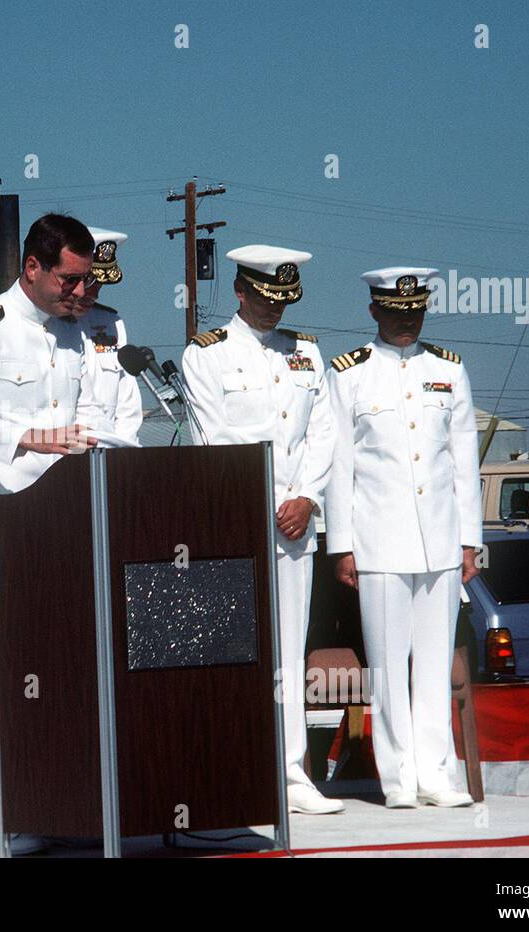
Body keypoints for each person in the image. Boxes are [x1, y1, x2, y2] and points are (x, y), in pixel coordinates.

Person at [0, 213, 108, 855]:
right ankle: (4, 817)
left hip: (57, 531)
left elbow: (87, 416)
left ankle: (58, 800)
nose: (79, 293)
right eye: (69, 279)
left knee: (56, 677)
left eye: (86, 281)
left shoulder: (74, 337)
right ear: (31, 267)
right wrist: (26, 437)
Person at [181, 244, 341, 815]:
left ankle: (292, 772)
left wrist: (307, 498)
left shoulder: (307, 354)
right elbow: (214, 439)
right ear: (241, 292)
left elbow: (323, 433)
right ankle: (237, 766)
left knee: (288, 650)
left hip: (295, 525)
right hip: (238, 520)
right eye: (266, 299)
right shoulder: (206, 356)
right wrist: (271, 500)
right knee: (237, 649)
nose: (275, 311)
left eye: (284, 301)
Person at [325, 267, 481, 809]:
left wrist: (469, 539)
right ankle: (398, 779)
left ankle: (438, 773)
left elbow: (463, 460)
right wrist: (342, 544)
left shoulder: (449, 370)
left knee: (435, 661)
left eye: (414, 312)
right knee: (389, 666)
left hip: (439, 538)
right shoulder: (349, 374)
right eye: (395, 313)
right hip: (379, 540)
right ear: (374, 311)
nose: (406, 322)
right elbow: (339, 464)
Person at [70, 228, 143, 442]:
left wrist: (125, 456)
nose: (94, 293)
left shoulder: (111, 323)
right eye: (89, 281)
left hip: (111, 455)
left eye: (100, 282)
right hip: (65, 456)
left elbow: (127, 404)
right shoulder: (45, 325)